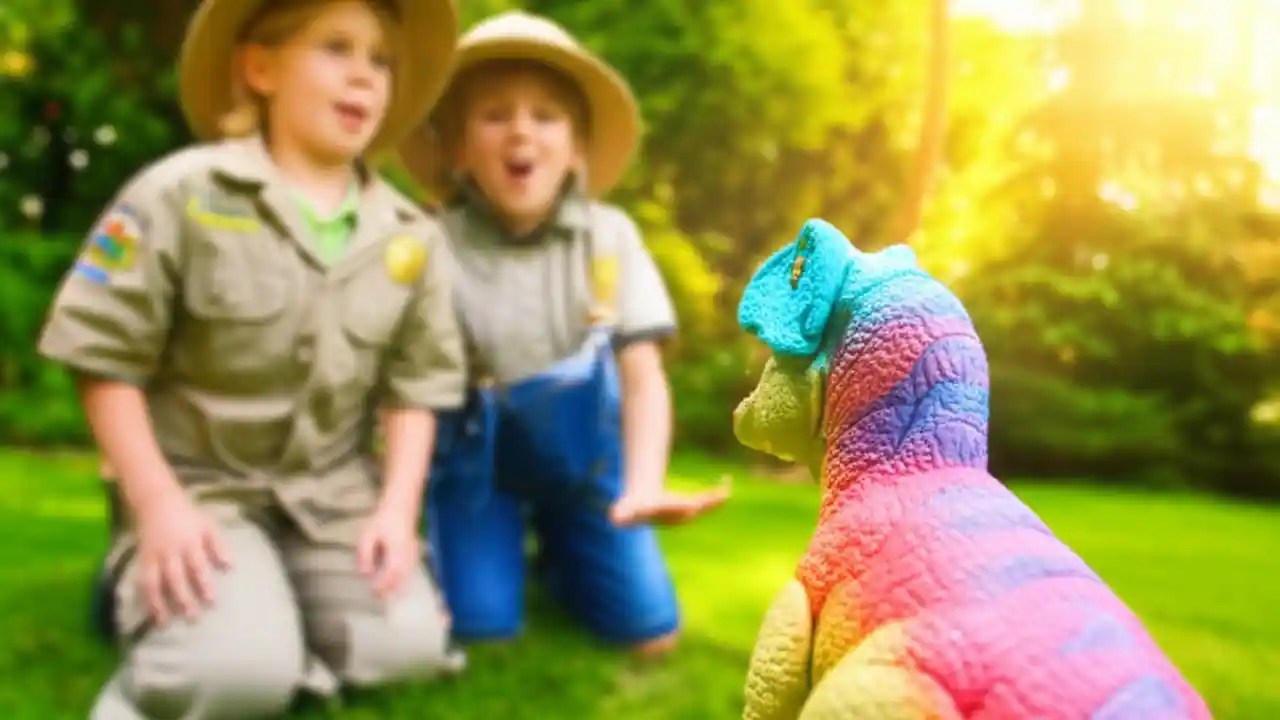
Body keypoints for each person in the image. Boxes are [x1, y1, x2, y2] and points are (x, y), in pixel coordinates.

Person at [37, 0, 467, 716]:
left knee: (409, 650)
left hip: (331, 502)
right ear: (259, 67)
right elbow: (103, 357)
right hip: (200, 493)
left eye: (381, 60)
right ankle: (176, 628)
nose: (364, 76)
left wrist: (396, 511)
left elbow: (414, 388)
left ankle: (268, 624)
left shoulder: (411, 237)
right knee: (236, 678)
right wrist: (158, 507)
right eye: (336, 47)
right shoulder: (180, 193)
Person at [397, 10, 730, 658]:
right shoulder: (429, 243)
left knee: (651, 636)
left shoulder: (611, 237)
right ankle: (480, 553)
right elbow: (403, 389)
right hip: (477, 466)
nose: (521, 129)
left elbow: (642, 378)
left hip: (588, 467)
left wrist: (643, 483)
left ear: (576, 147)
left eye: (546, 116)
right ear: (459, 147)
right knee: (482, 629)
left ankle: (563, 551)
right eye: (495, 114)